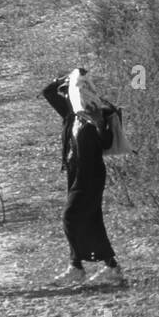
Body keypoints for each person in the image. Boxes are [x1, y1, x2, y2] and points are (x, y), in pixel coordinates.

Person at [53, 68, 122, 285]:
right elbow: (48, 92)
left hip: (90, 175)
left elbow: (107, 143)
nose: (64, 95)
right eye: (64, 92)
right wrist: (70, 77)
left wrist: (99, 121)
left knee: (70, 217)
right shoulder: (71, 114)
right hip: (76, 173)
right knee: (91, 220)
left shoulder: (96, 113)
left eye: (68, 92)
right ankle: (111, 268)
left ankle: (77, 266)